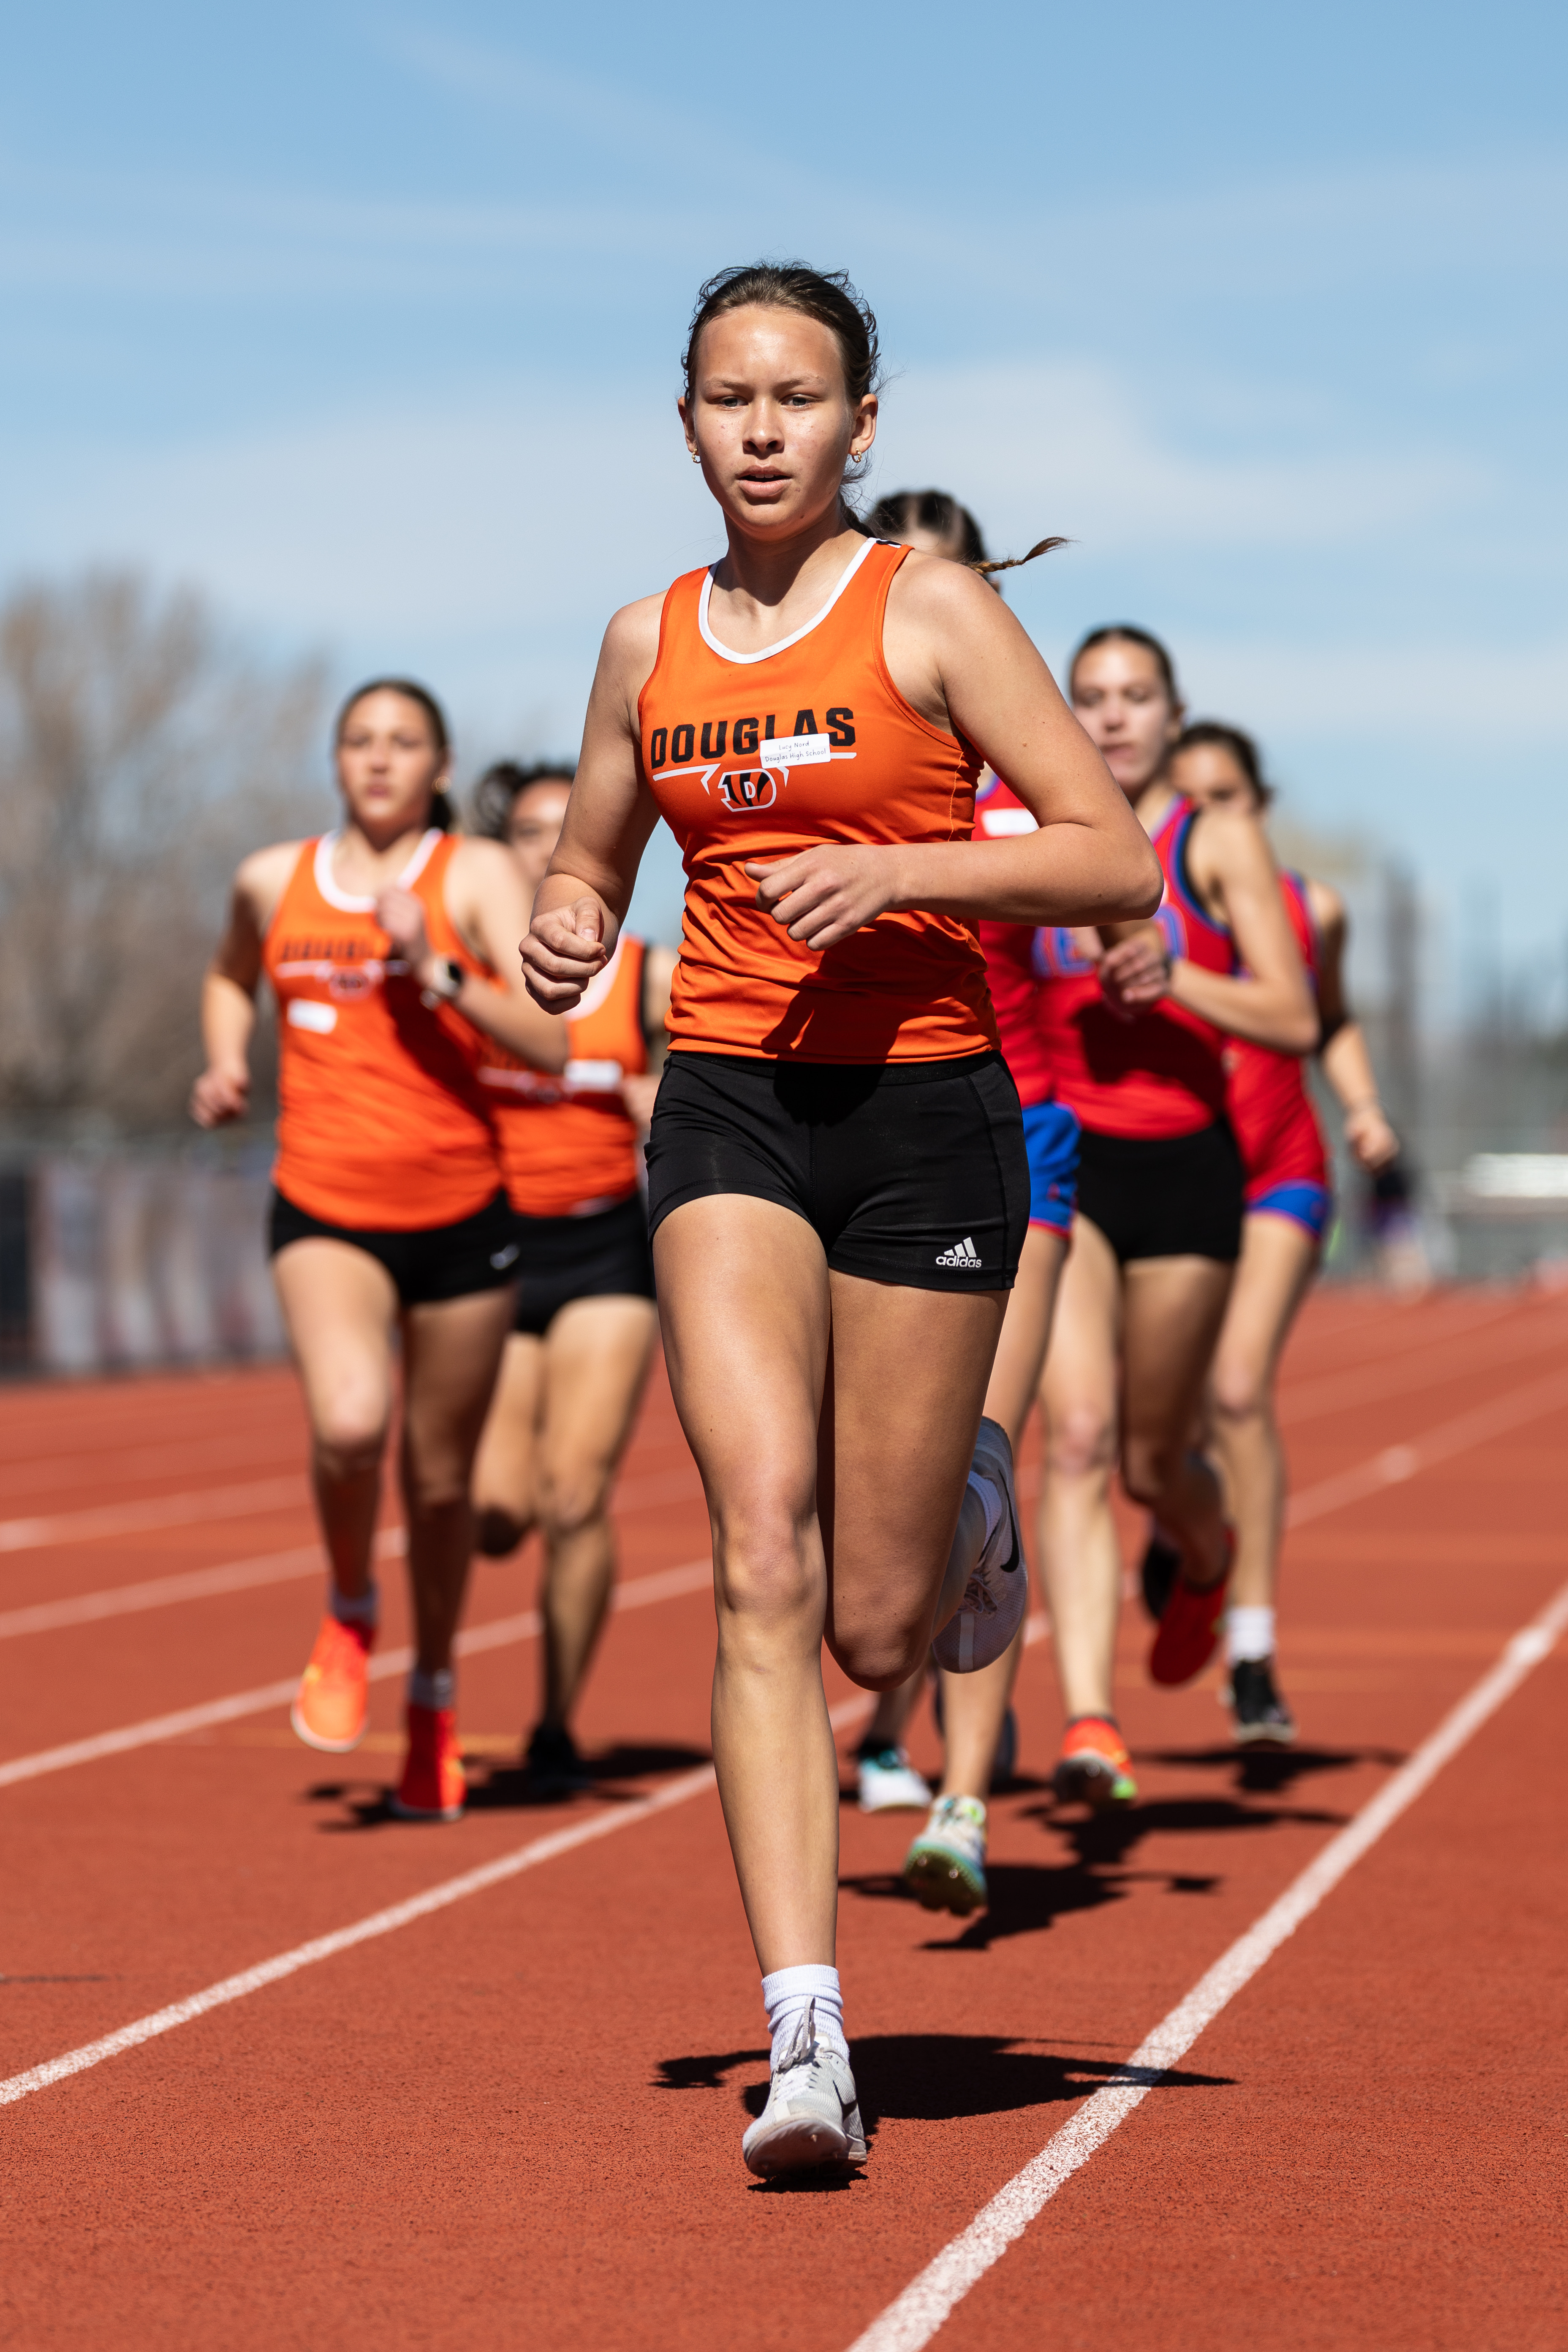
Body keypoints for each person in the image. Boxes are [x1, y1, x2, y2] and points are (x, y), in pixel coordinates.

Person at [519, 263, 1160, 2177]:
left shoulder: (932, 606)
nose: (768, 425)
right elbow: (585, 855)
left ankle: (970, 1509)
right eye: (731, 396)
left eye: (801, 395)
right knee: (759, 1548)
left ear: (859, 424)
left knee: (881, 1610)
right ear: (690, 421)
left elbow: (1108, 852)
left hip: (924, 1116)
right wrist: (566, 920)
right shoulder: (645, 641)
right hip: (723, 1098)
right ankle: (806, 2028)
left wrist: (902, 868)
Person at [191, 680, 565, 1821]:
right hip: (326, 1204)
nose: (380, 759)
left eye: (404, 742)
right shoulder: (273, 877)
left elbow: (550, 1040)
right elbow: (229, 974)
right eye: (360, 740)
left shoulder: (479, 875)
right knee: (353, 1422)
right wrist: (223, 1059)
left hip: (462, 1212)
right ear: (337, 760)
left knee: (443, 1482)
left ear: (441, 765)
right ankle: (353, 1600)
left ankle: (436, 1697)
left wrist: (437, 971)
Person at [846, 490, 1081, 1920]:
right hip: (856, 1138)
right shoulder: (837, 747)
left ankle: (964, 1797)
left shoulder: (1016, 759)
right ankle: (895, 1712)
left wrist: (1121, 954)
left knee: (977, 1458)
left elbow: (1112, 887)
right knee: (865, 1494)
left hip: (1019, 1141)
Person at [1033, 627, 1317, 1808]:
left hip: (1189, 1169)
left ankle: (1205, 1556)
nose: (1109, 717)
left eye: (1134, 696)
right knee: (1080, 1436)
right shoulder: (1037, 830)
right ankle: (1090, 1717)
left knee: (1156, 1458)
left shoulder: (1216, 838)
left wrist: (1171, 972)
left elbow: (1293, 1017)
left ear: (1170, 712)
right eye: (1088, 696)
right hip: (1068, 1166)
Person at [1162, 720, 1399, 1742]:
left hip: (1283, 1173)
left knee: (1235, 1386)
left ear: (1259, 804)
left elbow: (1331, 1018)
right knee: (1158, 1428)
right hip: (1180, 1173)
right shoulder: (1143, 895)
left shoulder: (1312, 908)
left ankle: (1252, 1652)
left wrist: (1362, 1106)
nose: (1211, 814)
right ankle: (1188, 1522)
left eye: (1229, 797)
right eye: (1193, 798)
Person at [465, 759, 676, 1793]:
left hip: (603, 1250)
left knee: (574, 1492)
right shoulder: (460, 963)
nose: (548, 850)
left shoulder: (644, 971)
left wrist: (661, 1090)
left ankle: (555, 1719)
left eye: (567, 830)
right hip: (493, 1245)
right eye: (527, 832)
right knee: (499, 1507)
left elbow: (726, 1057)